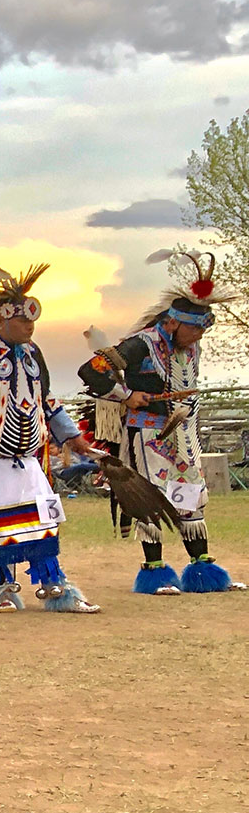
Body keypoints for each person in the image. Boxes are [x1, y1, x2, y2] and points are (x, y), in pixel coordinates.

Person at [79, 248, 243, 595]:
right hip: (146, 435)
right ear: (172, 322)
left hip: (183, 434)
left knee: (191, 496)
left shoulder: (189, 348)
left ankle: (202, 570)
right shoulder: (141, 344)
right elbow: (91, 371)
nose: (199, 335)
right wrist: (126, 396)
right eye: (195, 328)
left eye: (203, 329)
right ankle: (155, 572)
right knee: (150, 497)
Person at [0, 255, 102, 613]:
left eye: (32, 318)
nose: (30, 326)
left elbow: (47, 400)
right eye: (22, 318)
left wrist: (71, 436)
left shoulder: (33, 354)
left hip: (29, 460)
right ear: (3, 317)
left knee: (44, 524)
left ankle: (56, 587)